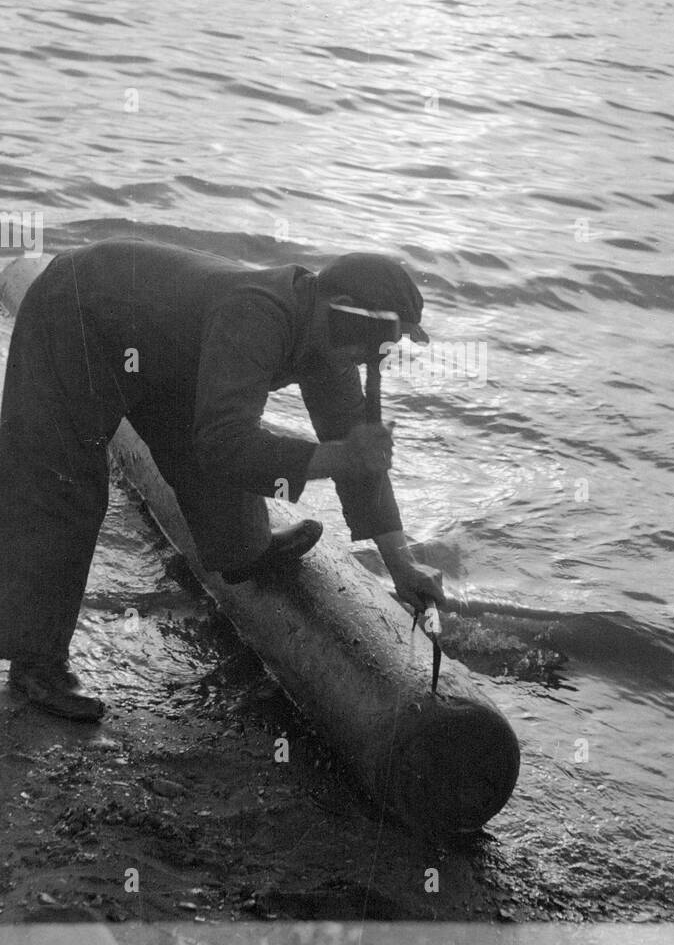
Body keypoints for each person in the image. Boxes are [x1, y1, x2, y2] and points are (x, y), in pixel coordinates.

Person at [0, 238, 444, 721]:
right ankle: (36, 665)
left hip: (166, 353)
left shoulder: (329, 346)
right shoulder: (257, 313)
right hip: (79, 313)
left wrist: (402, 567)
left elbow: (360, 463)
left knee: (236, 533)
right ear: (349, 313)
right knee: (63, 487)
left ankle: (246, 550)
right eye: (377, 344)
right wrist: (338, 457)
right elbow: (228, 444)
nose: (369, 360)